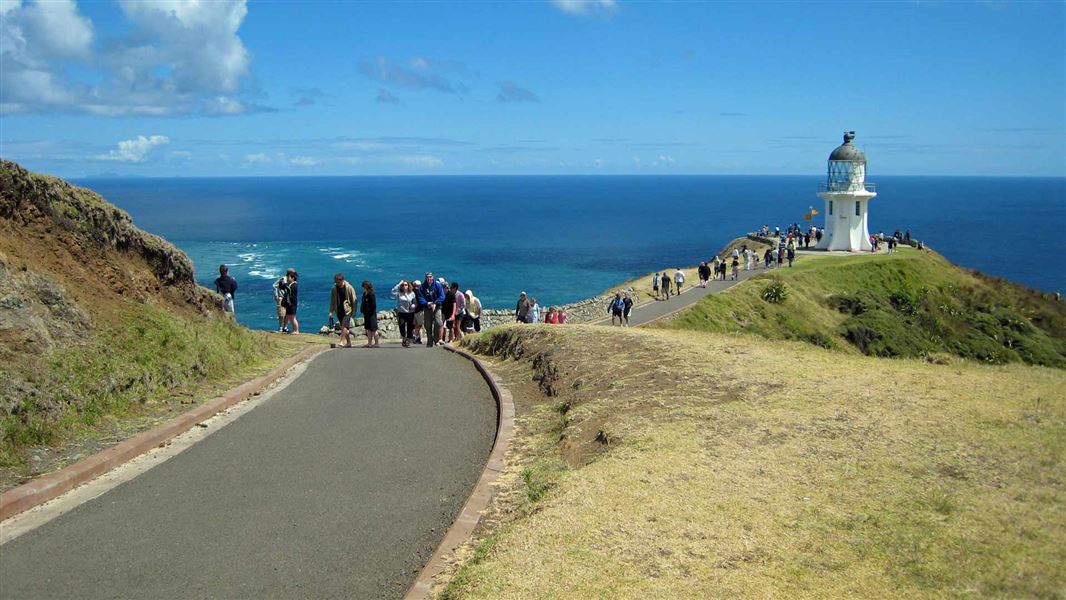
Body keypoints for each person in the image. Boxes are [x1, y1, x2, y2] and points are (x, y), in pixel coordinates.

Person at [329, 273, 358, 348]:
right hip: (338, 310)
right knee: (345, 327)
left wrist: (354, 311)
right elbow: (332, 300)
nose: (336, 283)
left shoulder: (349, 287)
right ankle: (348, 343)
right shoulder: (334, 288)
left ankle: (342, 341)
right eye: (335, 282)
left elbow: (354, 300)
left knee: (344, 326)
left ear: (342, 280)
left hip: (347, 310)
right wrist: (331, 311)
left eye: (337, 282)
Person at [419, 273, 445, 347]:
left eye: (430, 277)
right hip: (427, 307)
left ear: (433, 277)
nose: (429, 279)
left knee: (438, 322)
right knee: (427, 324)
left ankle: (436, 339)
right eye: (427, 277)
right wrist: (427, 303)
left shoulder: (437, 285)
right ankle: (430, 340)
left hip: (437, 306)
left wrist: (435, 303)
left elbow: (442, 296)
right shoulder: (422, 287)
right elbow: (420, 297)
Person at [391, 280, 418, 347]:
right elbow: (393, 291)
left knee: (410, 327)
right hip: (401, 312)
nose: (404, 286)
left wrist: (414, 305)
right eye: (403, 285)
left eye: (406, 285)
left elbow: (415, 302)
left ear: (408, 286)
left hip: (410, 312)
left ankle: (408, 340)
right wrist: (399, 283)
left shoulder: (412, 293)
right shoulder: (399, 293)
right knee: (401, 326)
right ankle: (404, 338)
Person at [360, 280, 378, 348]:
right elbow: (363, 303)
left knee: (373, 329)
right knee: (368, 329)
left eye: (364, 287)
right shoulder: (365, 294)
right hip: (366, 314)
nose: (363, 288)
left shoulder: (371, 294)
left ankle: (376, 343)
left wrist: (371, 312)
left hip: (371, 314)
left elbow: (374, 305)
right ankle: (369, 343)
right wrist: (362, 310)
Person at [281, 268, 299, 334]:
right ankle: (284, 328)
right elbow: (282, 287)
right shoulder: (290, 284)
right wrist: (282, 282)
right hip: (289, 304)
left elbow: (289, 291)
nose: (288, 279)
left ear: (293, 278)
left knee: (292, 318)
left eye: (289, 277)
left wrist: (285, 284)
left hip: (292, 304)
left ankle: (296, 330)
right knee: (287, 316)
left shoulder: (294, 285)